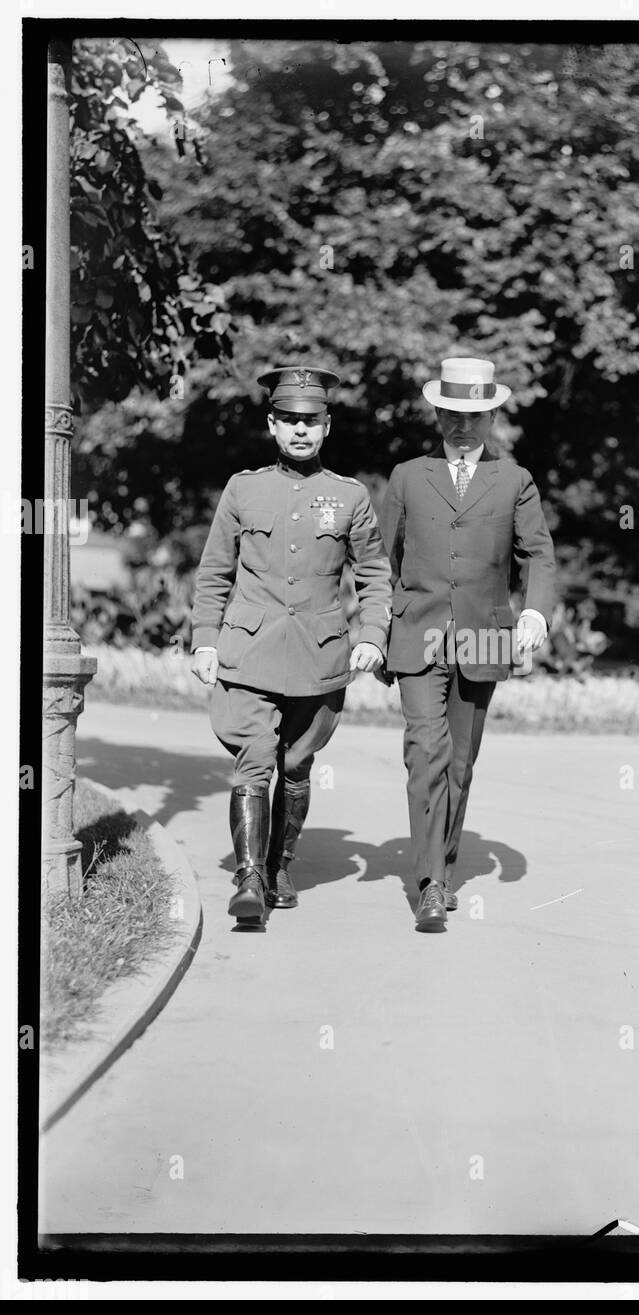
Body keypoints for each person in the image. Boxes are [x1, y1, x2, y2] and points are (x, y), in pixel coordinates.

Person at [190, 365, 391, 924]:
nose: (301, 430)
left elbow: (375, 575)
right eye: (290, 420)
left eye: (312, 421)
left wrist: (373, 635)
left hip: (319, 658)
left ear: (326, 427)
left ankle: (280, 862)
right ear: (272, 424)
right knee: (254, 762)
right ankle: (250, 876)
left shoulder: (348, 497)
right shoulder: (243, 488)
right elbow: (214, 573)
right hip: (249, 655)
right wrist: (205, 640)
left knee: (296, 766)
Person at [378, 356, 556, 931]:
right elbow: (383, 560)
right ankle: (429, 884)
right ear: (436, 412)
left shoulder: (515, 481)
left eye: (475, 416)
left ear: (492, 418)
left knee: (459, 763)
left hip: (483, 638)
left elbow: (539, 556)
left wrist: (533, 614)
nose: (462, 426)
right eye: (452, 413)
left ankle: (445, 867)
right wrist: (374, 629)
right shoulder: (407, 476)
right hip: (415, 633)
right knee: (423, 754)